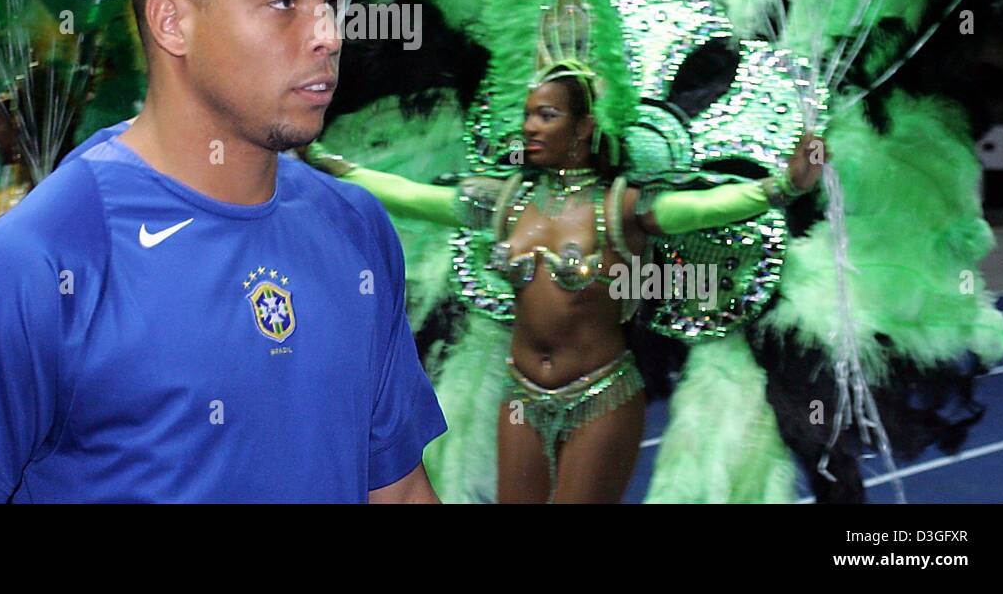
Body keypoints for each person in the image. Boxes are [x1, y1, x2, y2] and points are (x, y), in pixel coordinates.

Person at [0, 0, 447, 503]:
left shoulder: (355, 225)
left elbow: (399, 490)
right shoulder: (36, 260)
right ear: (172, 23)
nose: (329, 35)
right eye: (286, 2)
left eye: (329, 1)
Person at [305, 53, 821, 503]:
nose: (531, 127)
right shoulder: (507, 201)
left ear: (582, 127)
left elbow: (705, 208)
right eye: (528, 115)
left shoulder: (621, 208)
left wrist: (782, 187)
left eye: (547, 115)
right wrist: (328, 164)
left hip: (601, 398)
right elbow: (412, 196)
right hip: (522, 397)